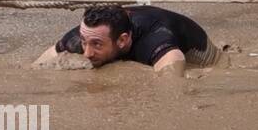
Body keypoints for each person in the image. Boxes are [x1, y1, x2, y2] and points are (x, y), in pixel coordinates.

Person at [33, 5, 220, 77]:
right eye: (84, 42)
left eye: (96, 45)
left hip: (206, 54)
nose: (87, 53)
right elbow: (35, 69)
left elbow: (171, 89)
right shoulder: (85, 35)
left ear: (122, 40)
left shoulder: (156, 41)